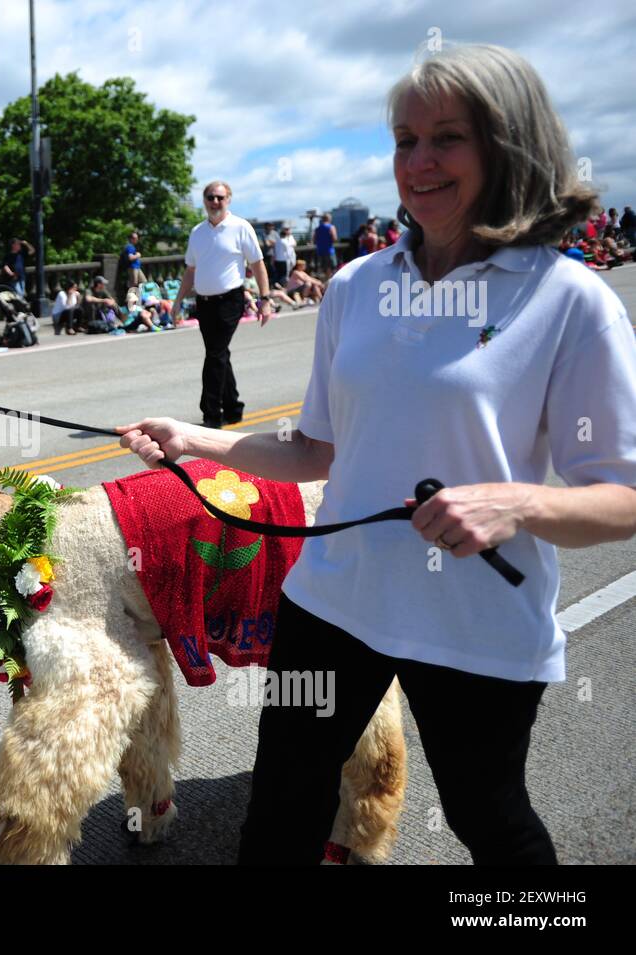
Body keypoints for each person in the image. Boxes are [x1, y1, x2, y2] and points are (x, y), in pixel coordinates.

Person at [121, 44, 636, 866]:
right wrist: (194, 440)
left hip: (473, 627)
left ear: (509, 145)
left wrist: (518, 503)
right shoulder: (357, 286)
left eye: (447, 138)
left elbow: (623, 495)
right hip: (332, 605)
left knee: (488, 818)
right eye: (404, 140)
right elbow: (317, 448)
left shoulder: (568, 301)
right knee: (280, 807)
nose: (418, 162)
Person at [175, 180, 272, 427]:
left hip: (230, 301)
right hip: (204, 304)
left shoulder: (241, 227)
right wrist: (177, 302)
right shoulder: (197, 232)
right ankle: (233, 407)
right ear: (204, 200)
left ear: (228, 199)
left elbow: (257, 264)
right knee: (219, 355)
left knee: (214, 355)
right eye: (210, 197)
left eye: (219, 197)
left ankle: (211, 414)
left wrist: (265, 299)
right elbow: (190, 270)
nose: (215, 202)